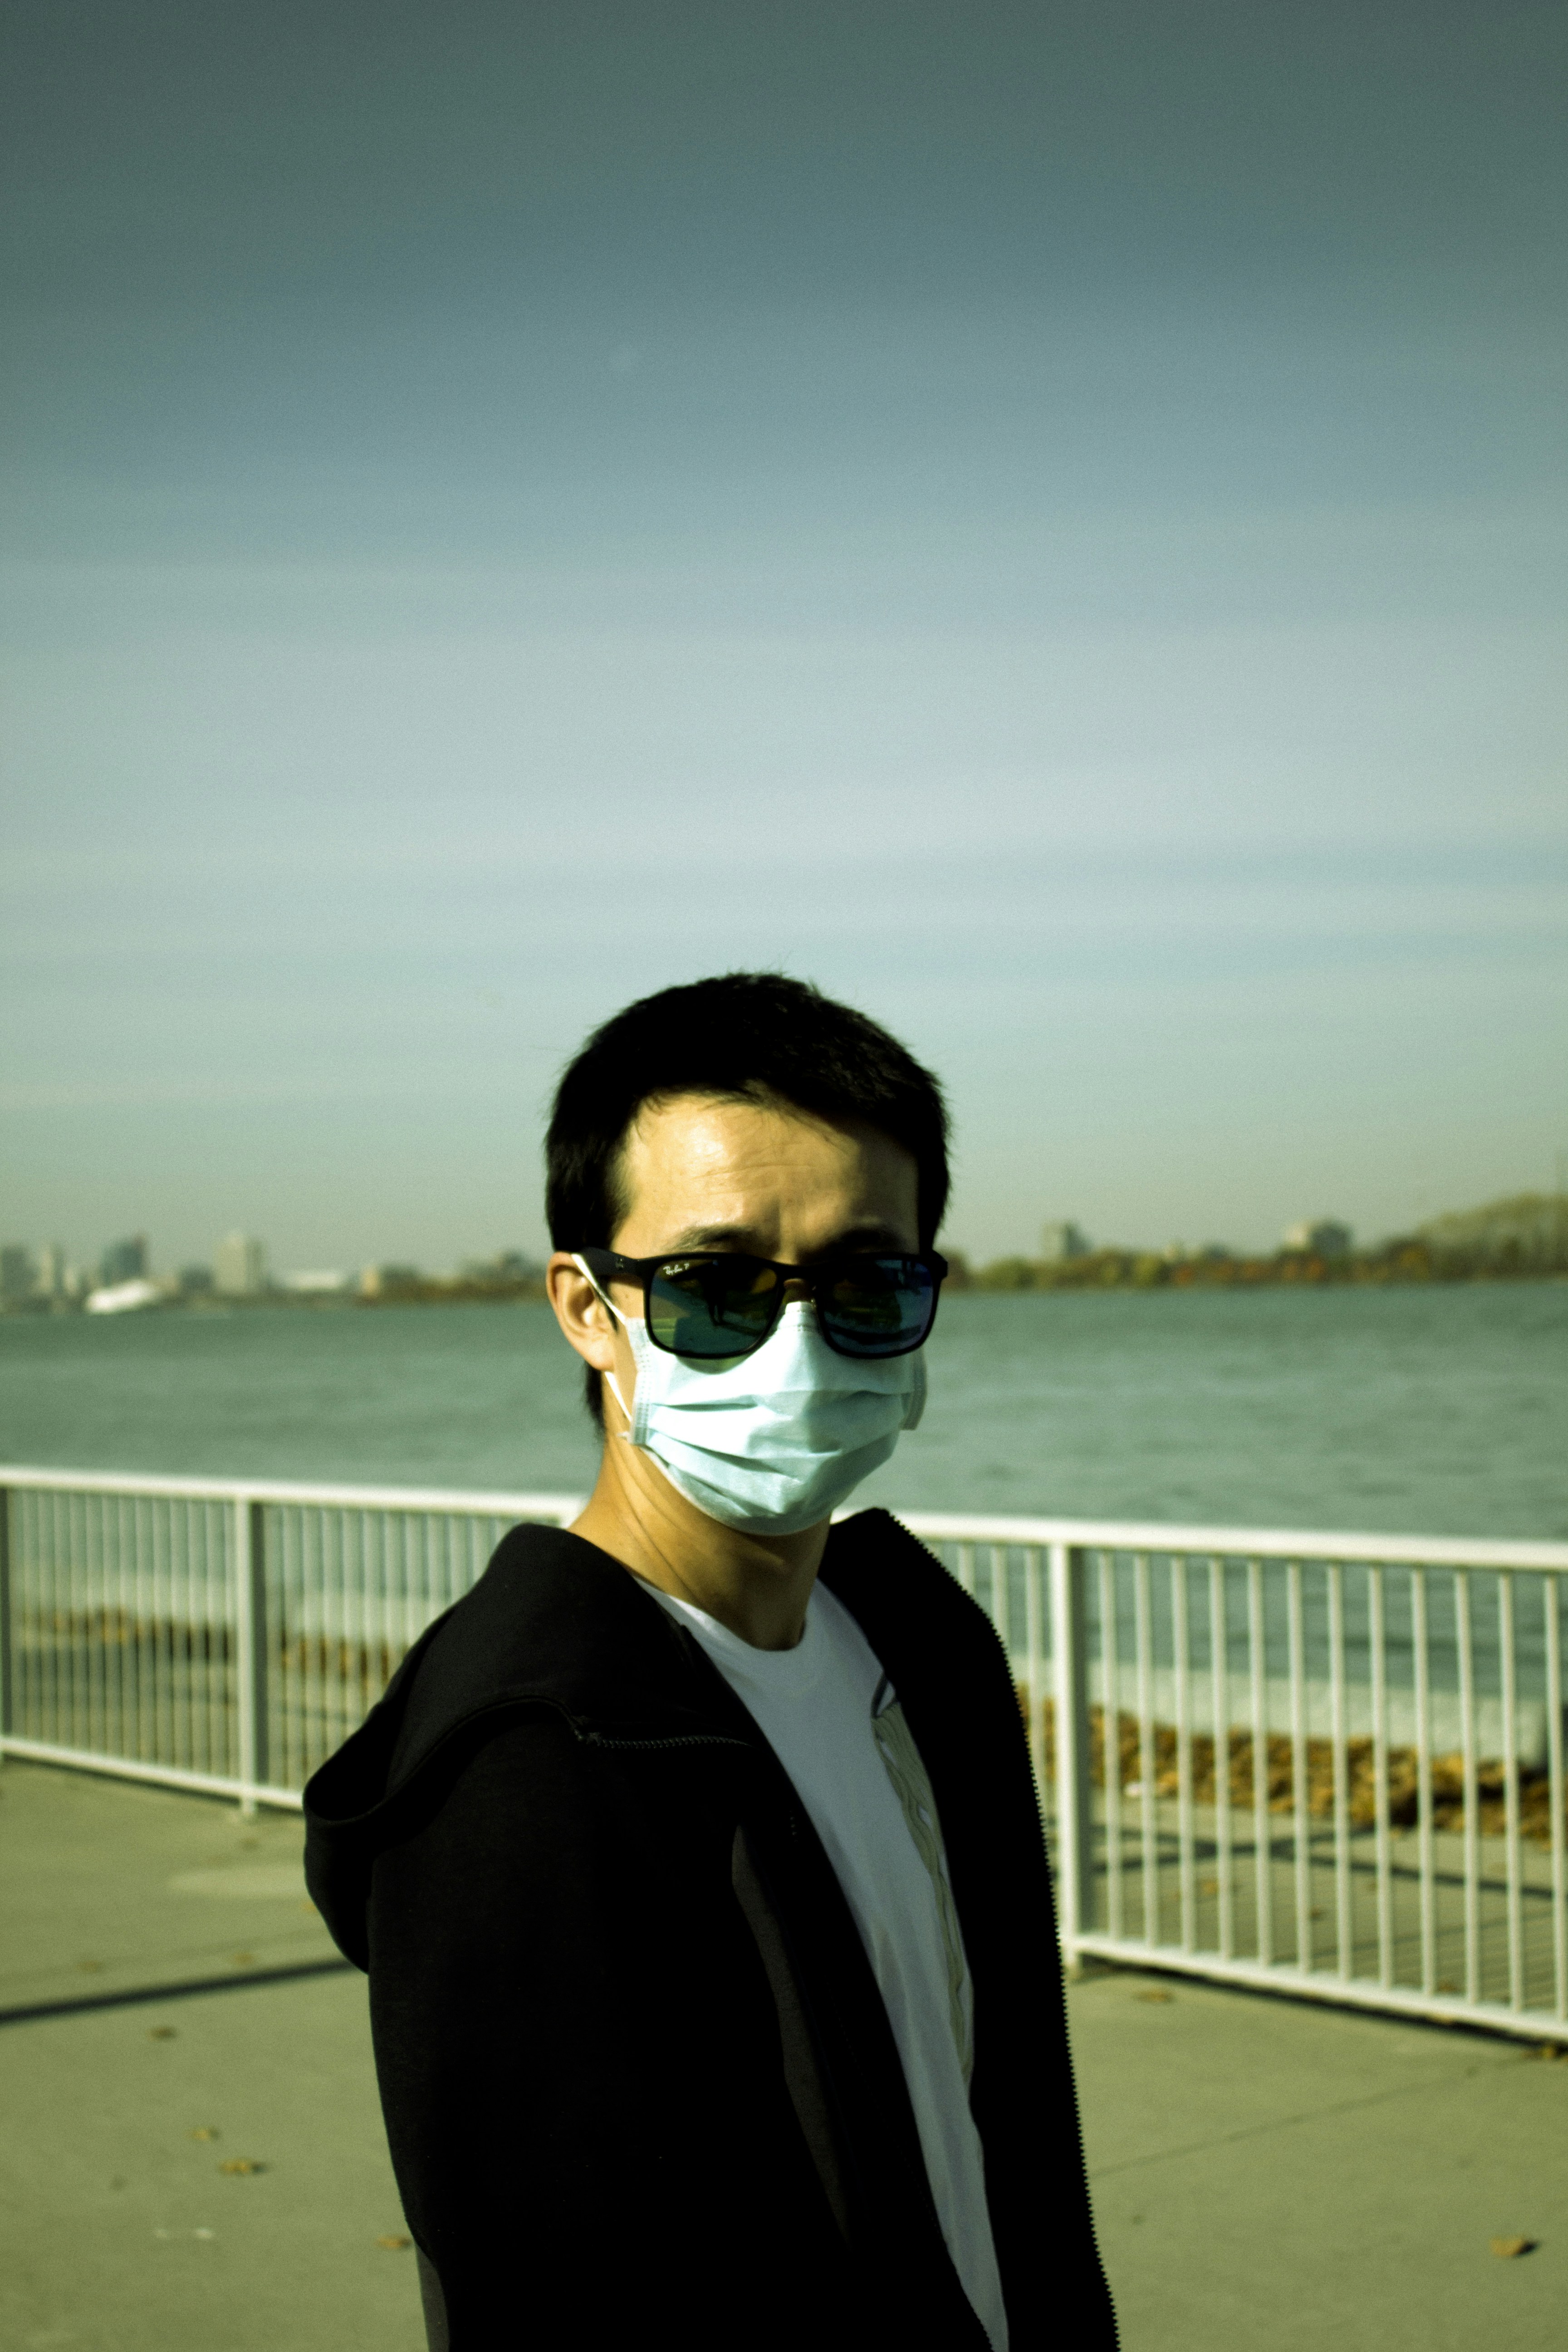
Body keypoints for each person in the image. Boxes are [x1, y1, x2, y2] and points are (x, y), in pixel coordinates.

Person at [304, 973, 1115, 2352]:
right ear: (588, 1308)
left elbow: (997, 2122)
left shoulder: (919, 1650)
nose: (798, 1341)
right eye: (716, 1287)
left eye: (865, 1281)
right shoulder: (526, 1764)